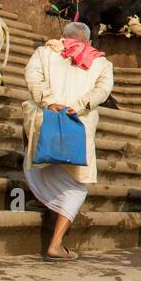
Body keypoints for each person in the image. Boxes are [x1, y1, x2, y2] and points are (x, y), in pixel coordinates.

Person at [22, 21, 115, 260]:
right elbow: (103, 90)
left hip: (46, 119)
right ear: (89, 42)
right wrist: (81, 105)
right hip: (78, 124)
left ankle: (39, 200)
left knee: (39, 161)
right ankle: (55, 244)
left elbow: (32, 76)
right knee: (77, 186)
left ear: (62, 36)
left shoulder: (44, 52)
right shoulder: (101, 62)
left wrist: (49, 100)